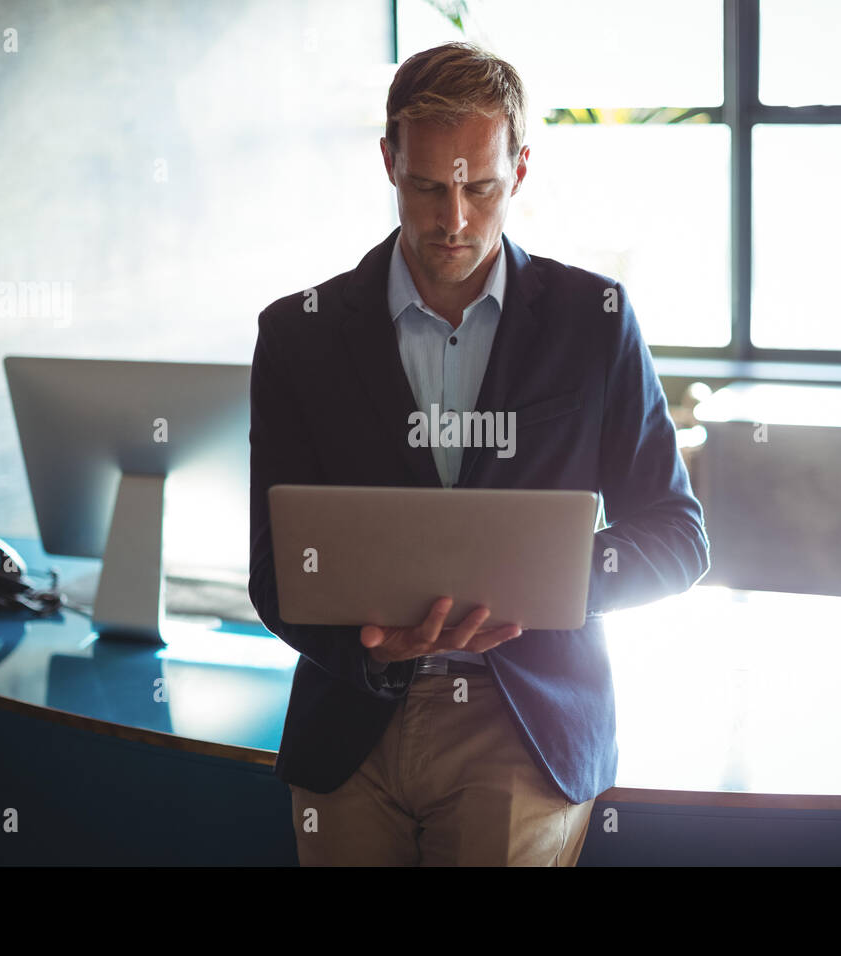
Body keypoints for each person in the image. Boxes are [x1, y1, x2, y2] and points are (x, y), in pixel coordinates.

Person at [248, 41, 710, 866]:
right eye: (426, 185)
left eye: (480, 186)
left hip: (523, 723)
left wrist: (550, 579)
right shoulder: (298, 335)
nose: (452, 218)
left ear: (521, 169)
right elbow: (273, 569)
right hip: (350, 721)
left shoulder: (594, 319)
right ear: (388, 161)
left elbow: (678, 535)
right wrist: (370, 652)